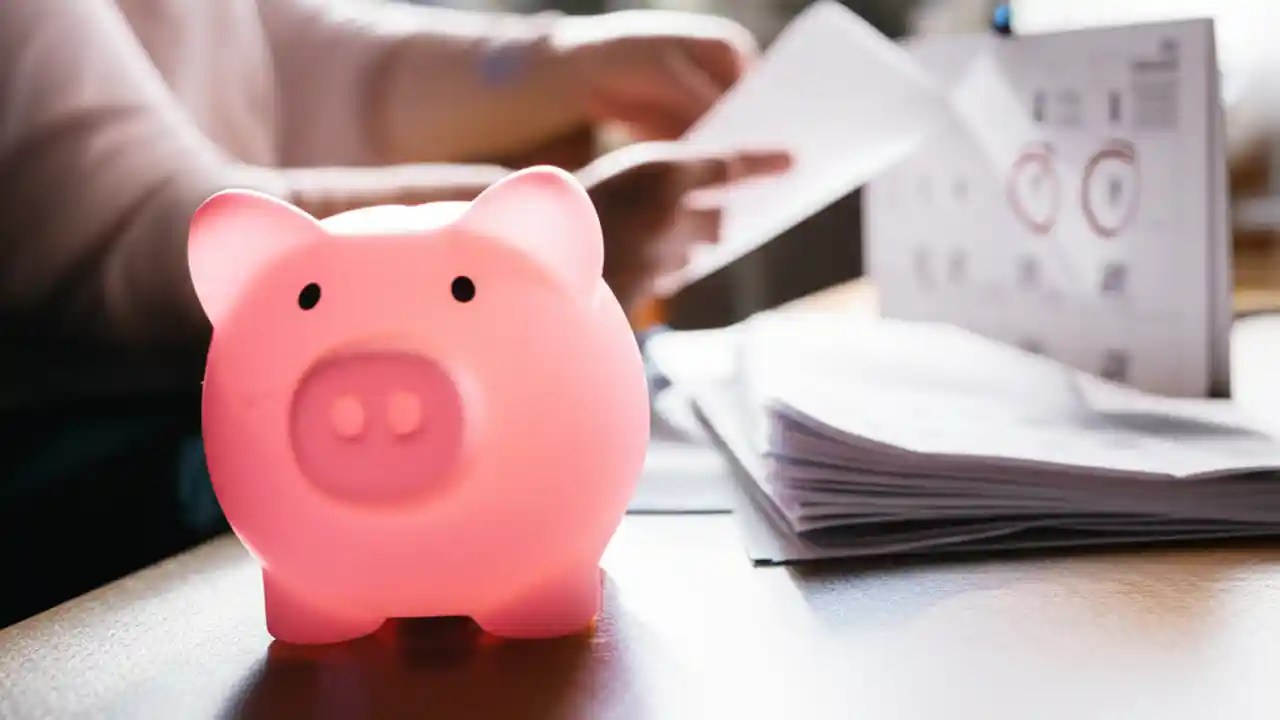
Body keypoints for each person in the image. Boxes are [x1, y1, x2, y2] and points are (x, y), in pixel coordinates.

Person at [0, 0, 790, 624]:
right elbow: (129, 221)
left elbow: (296, 57)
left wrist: (561, 65)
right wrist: (512, 246)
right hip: (87, 473)